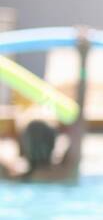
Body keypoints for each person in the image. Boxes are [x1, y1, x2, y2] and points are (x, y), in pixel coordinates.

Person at [1, 30, 90, 184]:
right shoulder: (67, 173)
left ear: (21, 146)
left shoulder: (13, 177)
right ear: (55, 143)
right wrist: (83, 58)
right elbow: (79, 119)